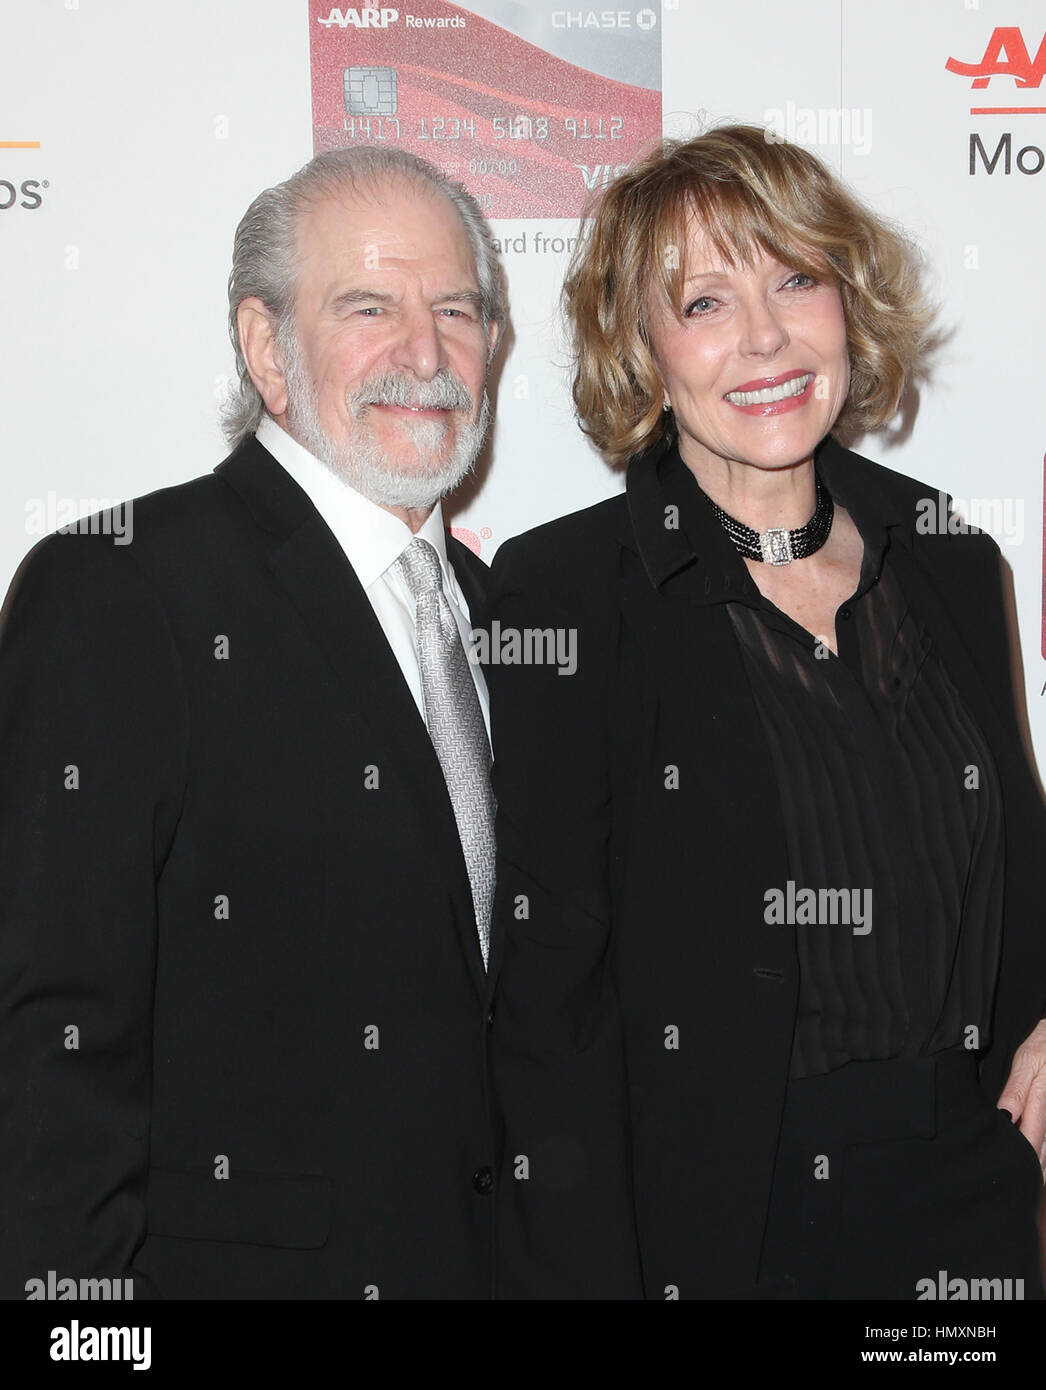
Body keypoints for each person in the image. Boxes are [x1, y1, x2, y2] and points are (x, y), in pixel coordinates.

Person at [486, 124, 1046, 1300]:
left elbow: (1015, 870)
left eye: (796, 277)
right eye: (702, 301)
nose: (765, 337)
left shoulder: (944, 552)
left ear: (846, 299)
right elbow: (550, 1003)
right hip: (722, 1225)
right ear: (642, 350)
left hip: (971, 1192)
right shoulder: (567, 592)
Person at [0, 145, 505, 1299]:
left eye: (455, 311)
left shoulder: (503, 614)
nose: (423, 354)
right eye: (368, 307)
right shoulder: (120, 590)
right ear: (266, 348)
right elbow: (51, 1032)